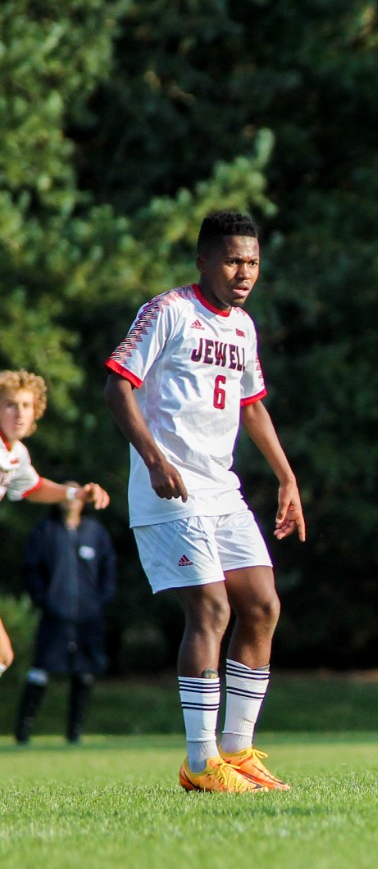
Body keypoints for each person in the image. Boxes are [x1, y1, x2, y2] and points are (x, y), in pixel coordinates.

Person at [104, 210, 306, 793]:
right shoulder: (168, 311)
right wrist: (154, 458)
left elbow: (252, 405)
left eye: (253, 262)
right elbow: (118, 386)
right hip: (172, 488)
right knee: (211, 610)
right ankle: (200, 761)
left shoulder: (242, 326)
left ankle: (238, 754)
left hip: (222, 488)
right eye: (233, 260)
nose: (244, 271)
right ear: (204, 261)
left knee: (263, 605)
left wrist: (287, 478)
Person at [0, 370, 112, 690]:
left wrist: (75, 493)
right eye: (9, 404)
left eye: (26, 405)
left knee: (3, 656)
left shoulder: (16, 454)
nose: (19, 412)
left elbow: (33, 488)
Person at [17, 488, 117, 745]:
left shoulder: (95, 531)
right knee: (41, 670)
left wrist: (99, 601)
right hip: (55, 614)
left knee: (84, 672)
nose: (71, 499)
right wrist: (44, 599)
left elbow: (108, 569)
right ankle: (23, 733)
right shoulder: (45, 530)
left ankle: (74, 734)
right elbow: (31, 569)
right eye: (66, 493)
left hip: (88, 616)